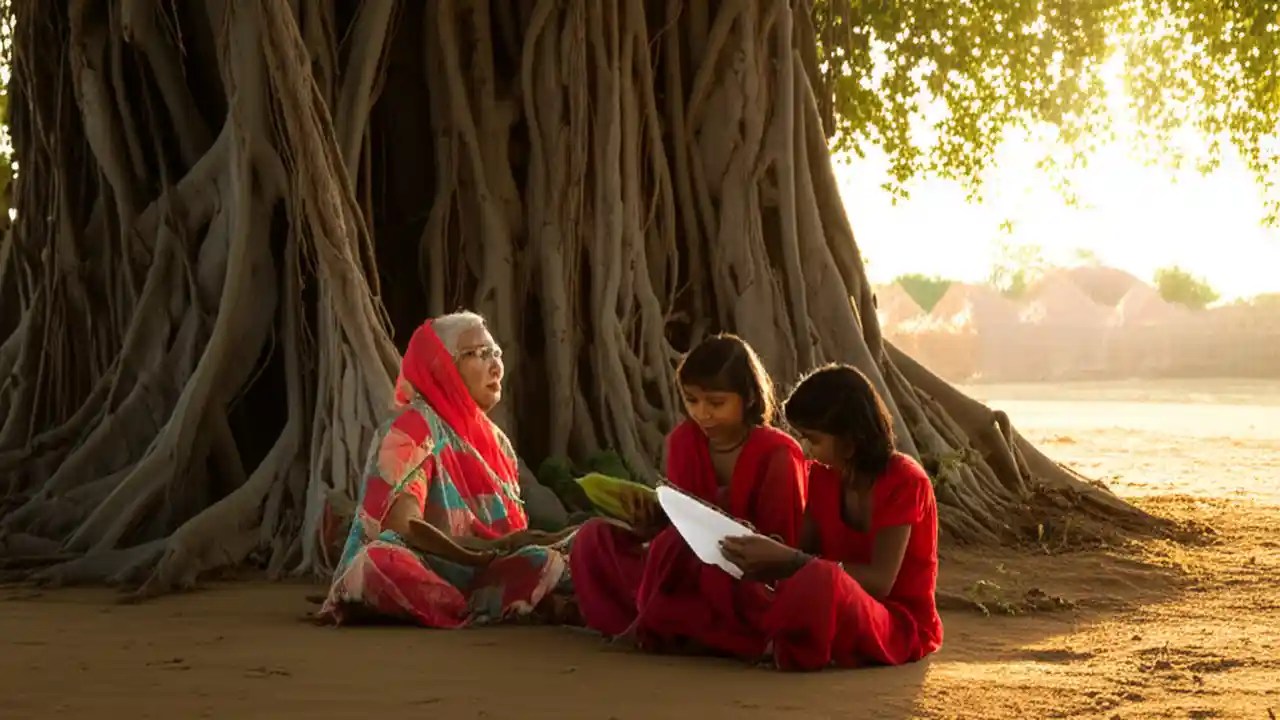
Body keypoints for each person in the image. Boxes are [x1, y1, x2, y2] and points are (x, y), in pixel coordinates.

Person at [317, 312, 573, 628]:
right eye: (479, 355)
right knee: (379, 562)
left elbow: (511, 537)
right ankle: (486, 606)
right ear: (442, 366)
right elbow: (404, 526)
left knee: (548, 559)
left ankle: (483, 603)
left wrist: (534, 542)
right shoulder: (414, 428)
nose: (496, 366)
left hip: (483, 569)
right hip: (431, 565)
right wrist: (477, 552)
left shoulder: (498, 444)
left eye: (496, 353)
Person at [571, 334, 808, 657]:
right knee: (592, 538)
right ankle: (663, 623)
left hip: (744, 581)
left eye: (716, 403)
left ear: (749, 397)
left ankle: (661, 625)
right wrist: (647, 523)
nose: (702, 414)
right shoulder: (683, 442)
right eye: (692, 400)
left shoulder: (778, 454)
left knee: (686, 556)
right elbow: (679, 526)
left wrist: (736, 535)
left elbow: (783, 545)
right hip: (683, 572)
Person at [718, 364, 944, 670]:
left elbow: (880, 582)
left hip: (895, 622)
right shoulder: (821, 477)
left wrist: (792, 559)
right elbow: (804, 552)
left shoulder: (906, 481)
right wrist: (763, 546)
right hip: (833, 602)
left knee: (820, 577)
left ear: (849, 443)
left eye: (814, 440)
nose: (807, 451)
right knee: (730, 566)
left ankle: (788, 642)